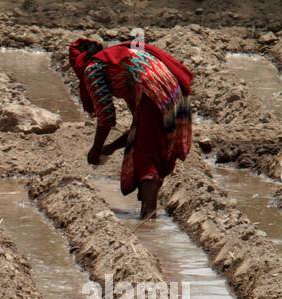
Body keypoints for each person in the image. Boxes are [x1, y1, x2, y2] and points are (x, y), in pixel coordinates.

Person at [69, 37, 194, 219]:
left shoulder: (92, 68)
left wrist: (95, 151)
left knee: (146, 156)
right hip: (173, 91)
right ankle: (148, 210)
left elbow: (106, 118)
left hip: (153, 90)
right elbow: (138, 125)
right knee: (151, 145)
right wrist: (110, 148)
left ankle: (149, 214)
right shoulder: (121, 62)